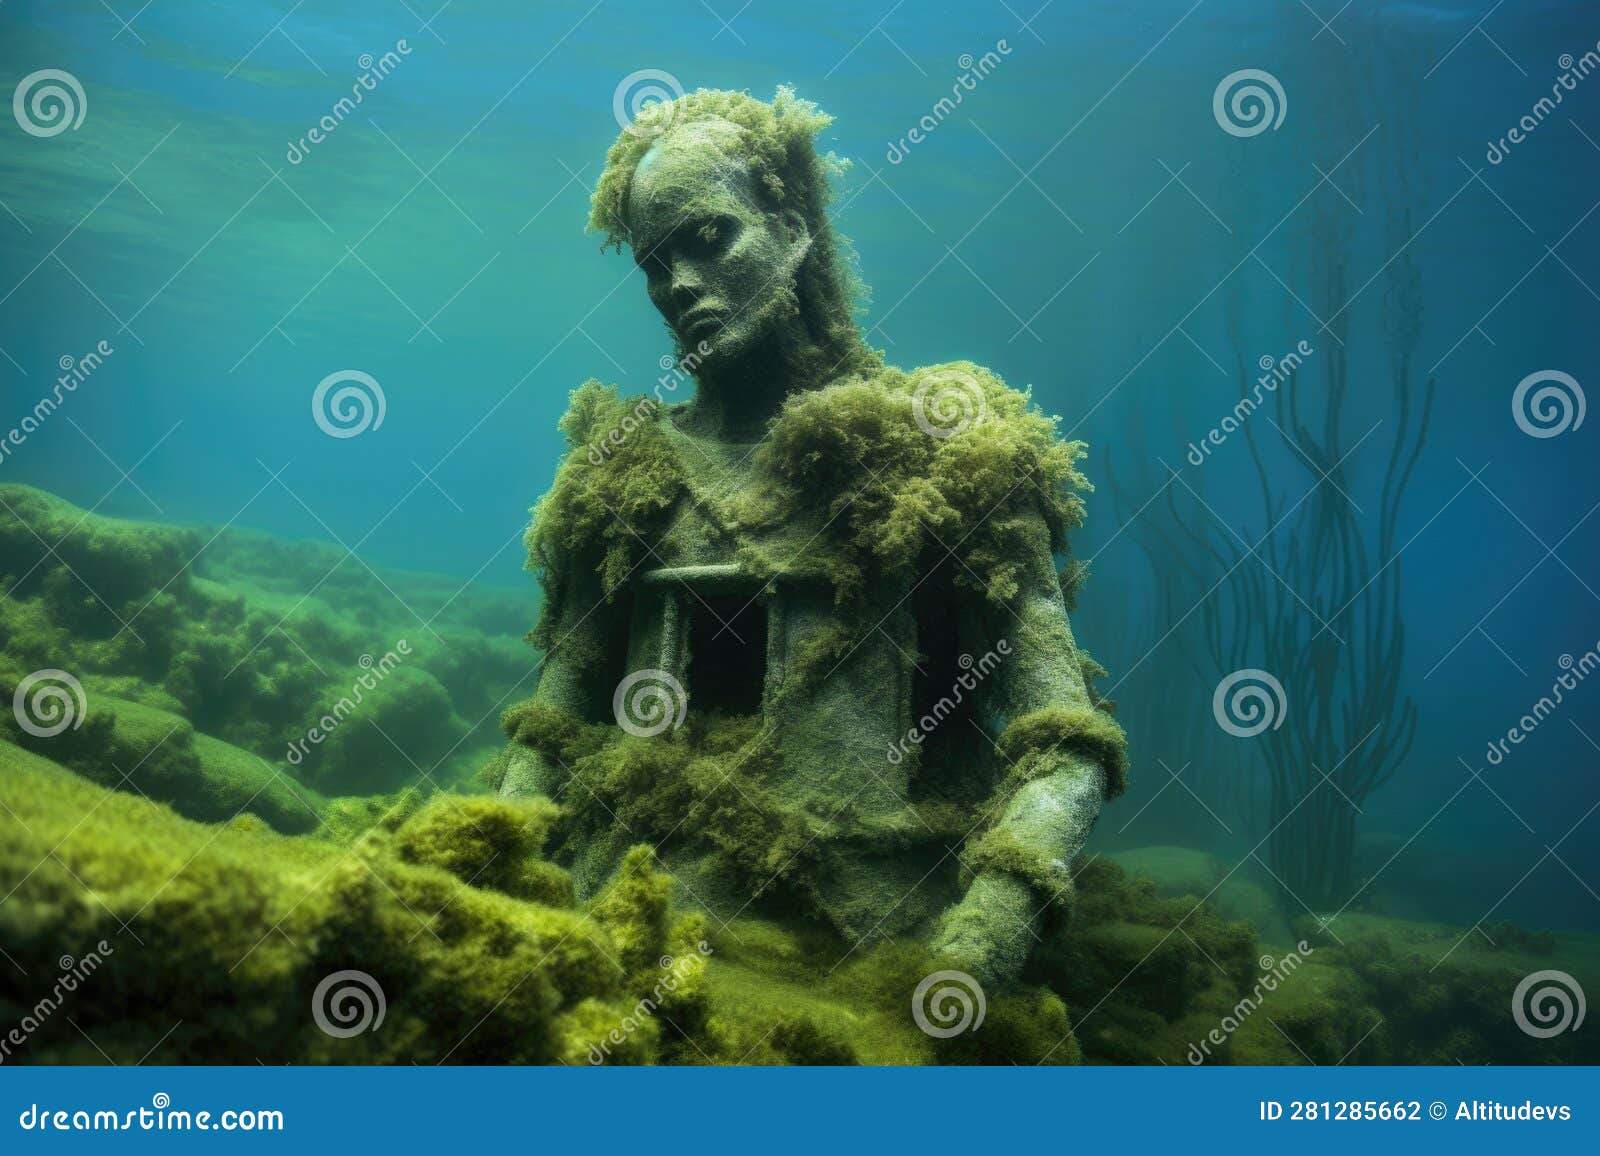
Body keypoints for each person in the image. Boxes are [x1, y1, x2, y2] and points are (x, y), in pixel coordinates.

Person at [493, 87, 1126, 984]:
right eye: (654, 262)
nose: (677, 285)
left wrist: (977, 947)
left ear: (790, 232)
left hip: (880, 948)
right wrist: (518, 883)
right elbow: (549, 732)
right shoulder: (625, 472)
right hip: (630, 933)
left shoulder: (945, 452)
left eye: (710, 237)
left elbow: (1064, 740)